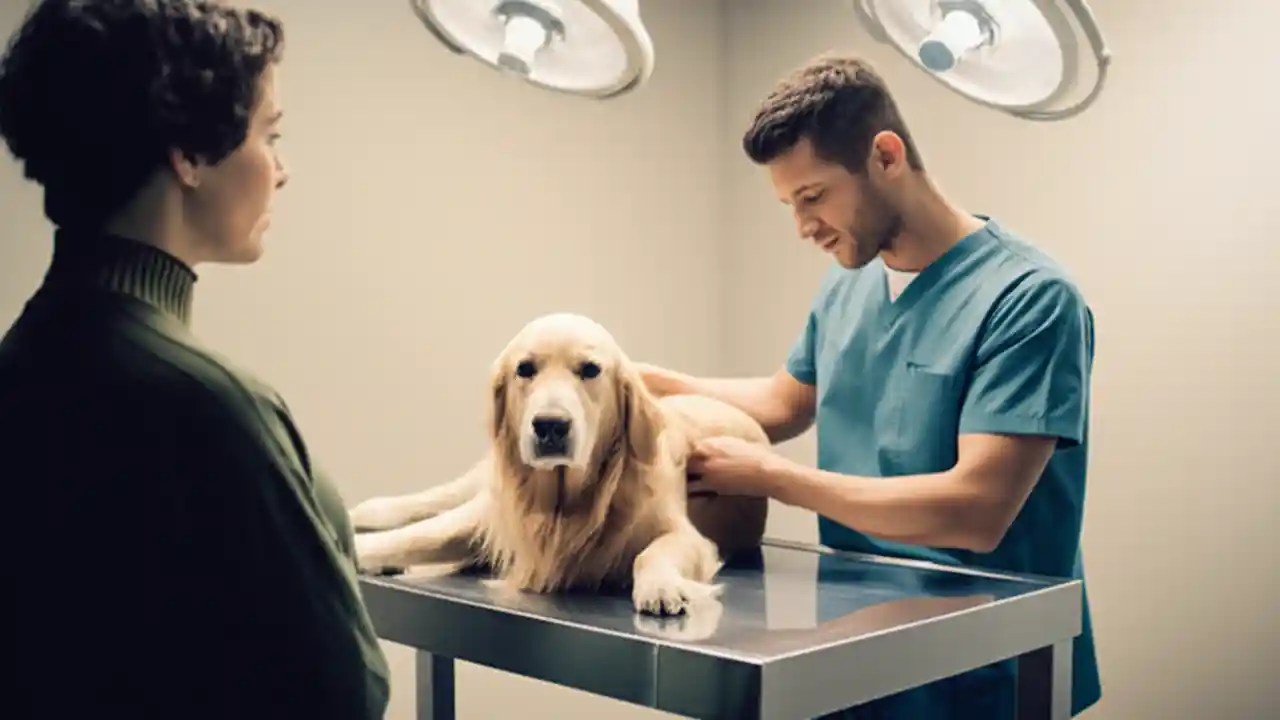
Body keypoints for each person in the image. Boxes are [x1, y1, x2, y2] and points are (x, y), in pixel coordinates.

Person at [638, 55, 1101, 719]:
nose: (803, 227)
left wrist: (771, 478)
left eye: (813, 197)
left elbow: (976, 508)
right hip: (859, 640)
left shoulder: (1030, 299)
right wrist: (644, 382)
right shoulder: (849, 281)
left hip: (988, 662)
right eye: (789, 205)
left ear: (886, 156)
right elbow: (783, 403)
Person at [0, 2, 389, 718]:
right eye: (269, 135)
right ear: (187, 154)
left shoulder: (22, 367)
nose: (281, 171)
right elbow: (341, 692)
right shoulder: (213, 411)